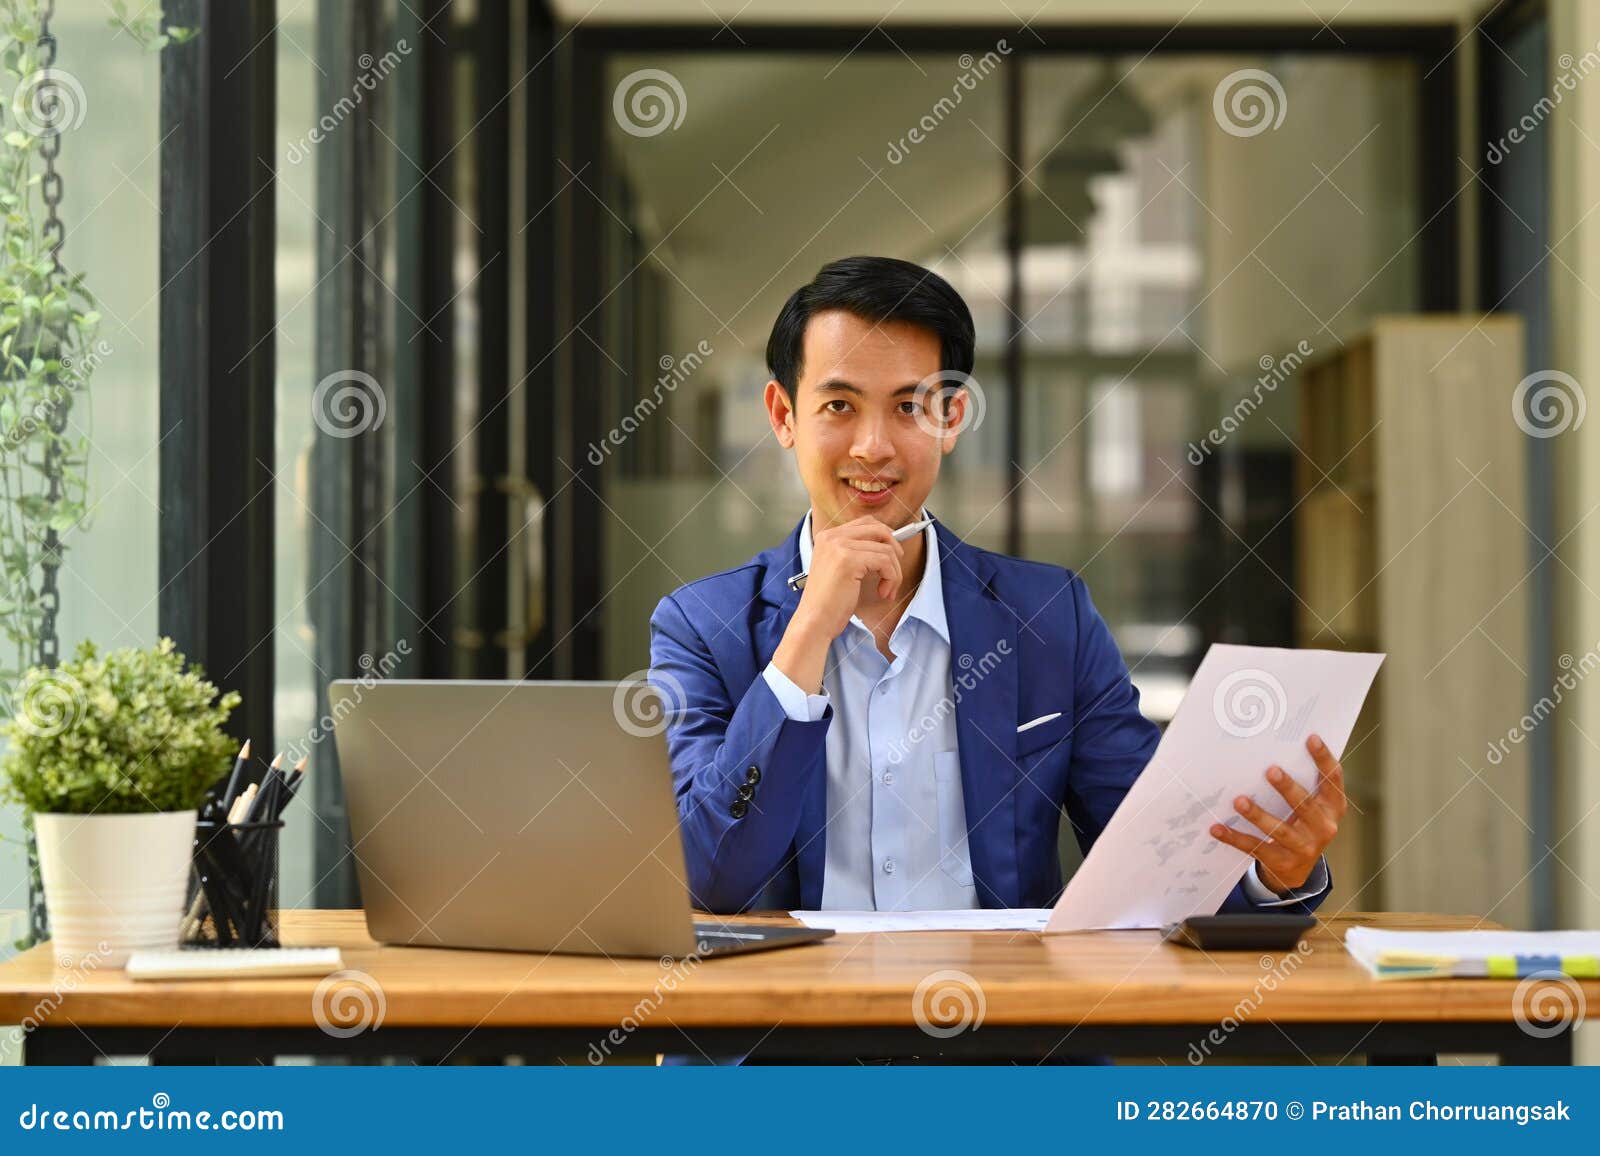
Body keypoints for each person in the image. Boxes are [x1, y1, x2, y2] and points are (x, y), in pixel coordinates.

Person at [648, 255, 1338, 915]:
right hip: (784, 1028)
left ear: (950, 419)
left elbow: (1157, 869)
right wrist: (807, 635)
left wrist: (1272, 872)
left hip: (999, 1028)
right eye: (839, 406)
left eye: (909, 407)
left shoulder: (1050, 618)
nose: (873, 447)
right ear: (783, 416)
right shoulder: (700, 626)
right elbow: (709, 878)